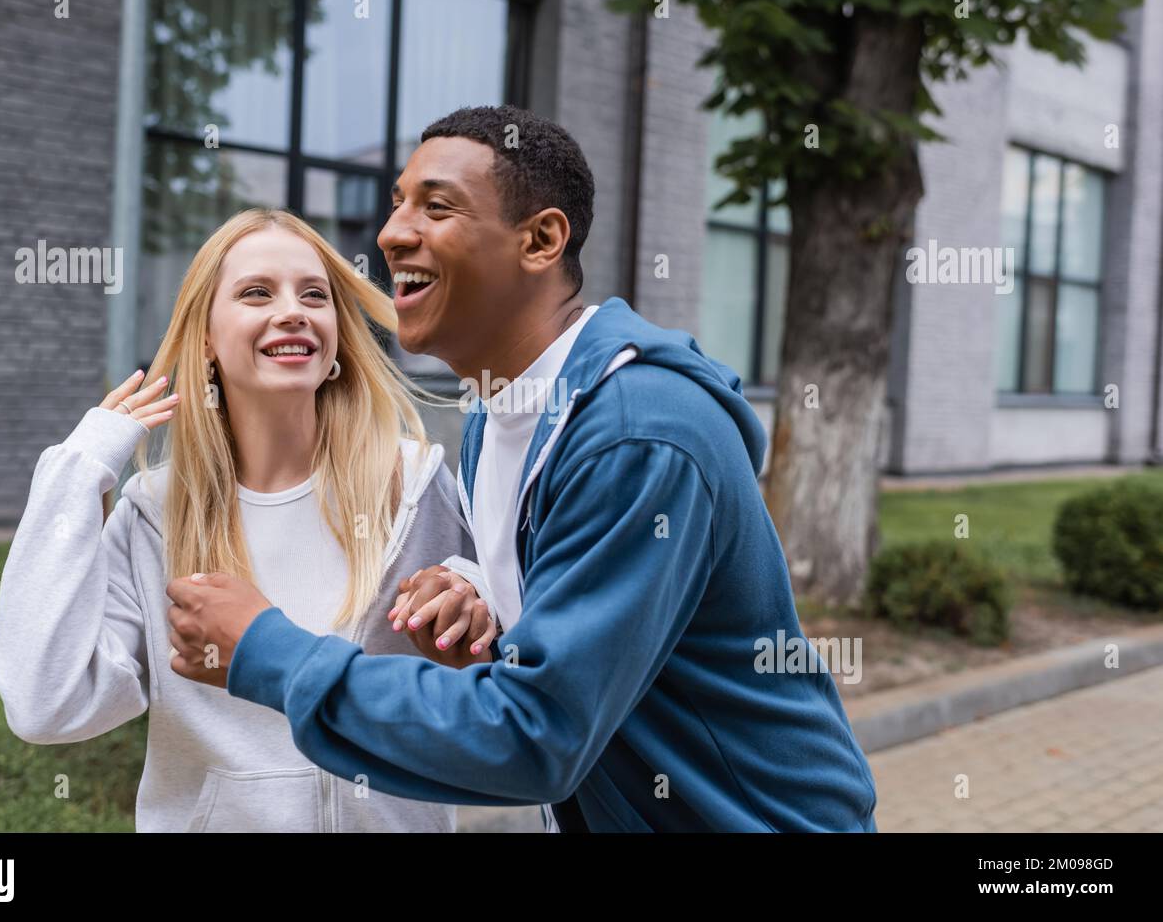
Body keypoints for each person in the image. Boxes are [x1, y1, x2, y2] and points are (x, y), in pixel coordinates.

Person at [167, 106, 880, 832]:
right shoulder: (500, 415)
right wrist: (480, 603)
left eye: (436, 206)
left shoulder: (636, 434)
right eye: (396, 204)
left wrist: (267, 648)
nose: (391, 233)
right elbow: (566, 652)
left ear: (540, 240)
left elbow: (538, 734)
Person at [0, 208, 494, 832]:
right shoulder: (153, 514)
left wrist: (475, 597)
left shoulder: (413, 486)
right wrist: (77, 470)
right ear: (204, 336)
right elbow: (47, 706)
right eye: (257, 292)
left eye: (315, 295)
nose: (293, 310)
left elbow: (500, 665)